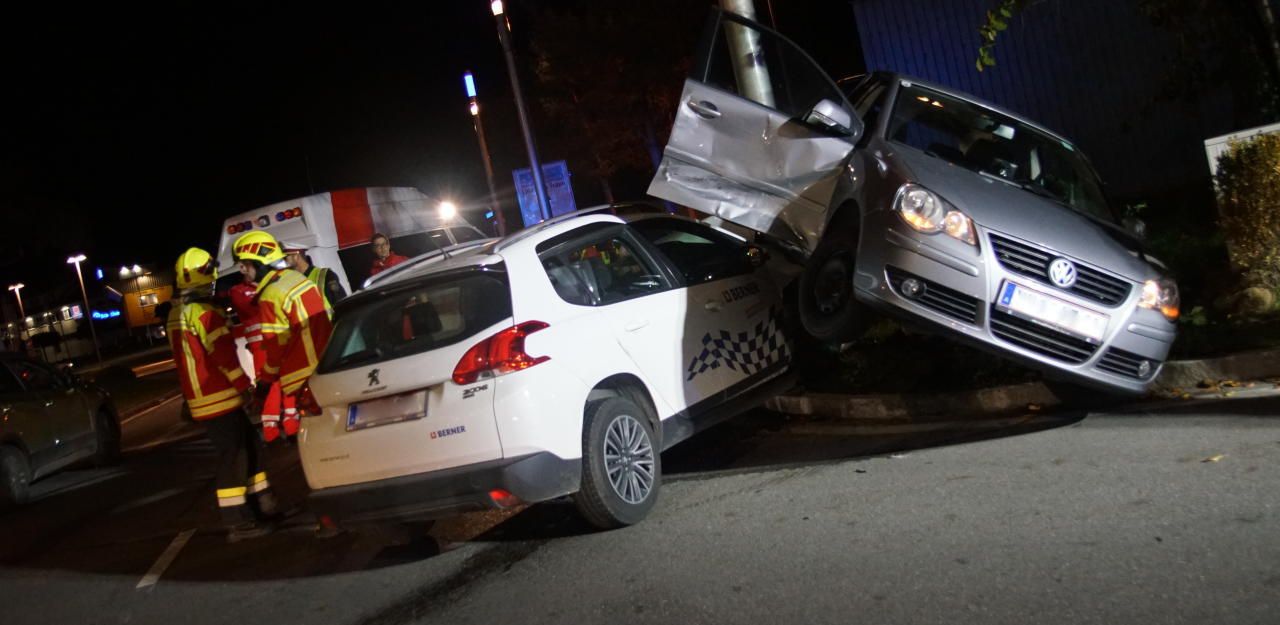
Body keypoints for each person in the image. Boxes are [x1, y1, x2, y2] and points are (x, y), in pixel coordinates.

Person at [168, 247, 279, 542]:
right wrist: (245, 388)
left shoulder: (179, 313)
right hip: (219, 396)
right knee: (235, 457)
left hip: (204, 398)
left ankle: (263, 506)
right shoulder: (204, 313)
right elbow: (224, 356)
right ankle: (238, 522)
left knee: (250, 447)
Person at [232, 230, 333, 443]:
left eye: (244, 265)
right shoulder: (296, 278)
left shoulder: (271, 294)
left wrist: (264, 384)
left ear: (259, 263)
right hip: (327, 362)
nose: (243, 271)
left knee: (320, 438)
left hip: (304, 374)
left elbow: (276, 347)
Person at [282, 241, 347, 308]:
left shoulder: (325, 275)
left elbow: (341, 302)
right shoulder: (290, 281)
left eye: (285, 257)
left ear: (296, 256)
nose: (284, 260)